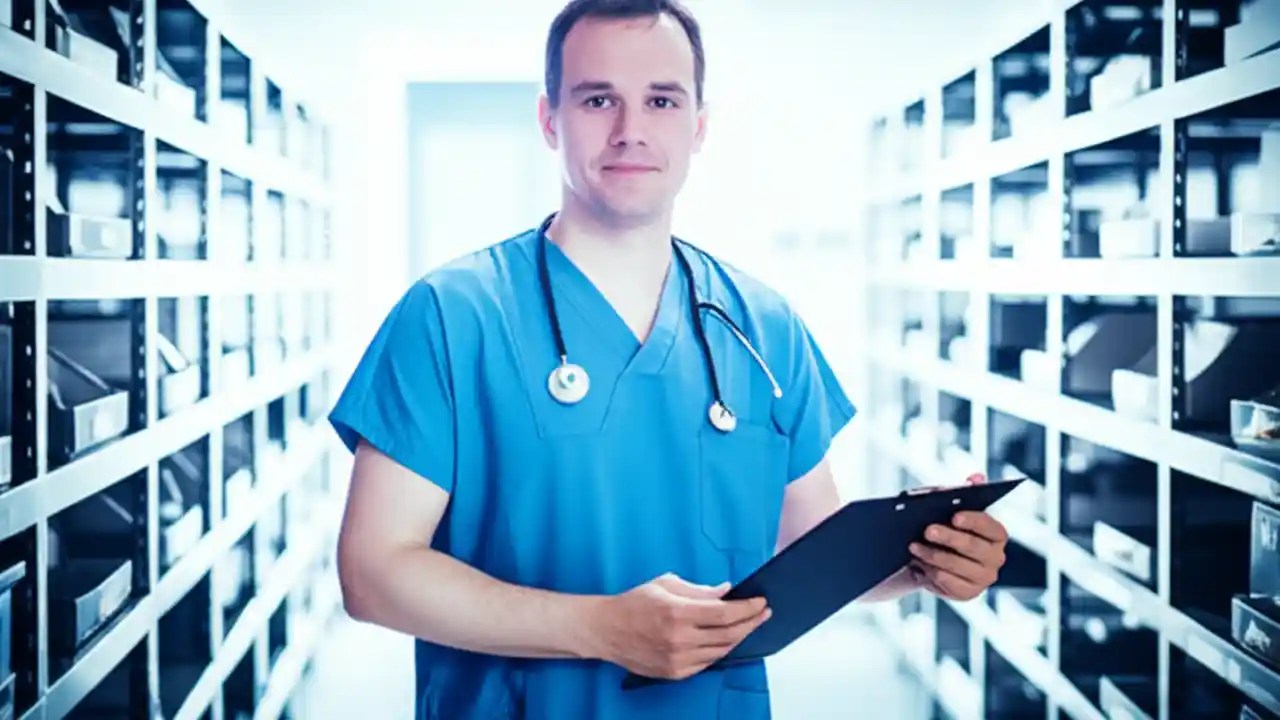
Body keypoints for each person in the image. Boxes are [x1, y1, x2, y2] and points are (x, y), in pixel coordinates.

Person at [328, 0, 1011, 717]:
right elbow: (373, 573)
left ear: (698, 125)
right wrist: (598, 630)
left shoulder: (764, 328)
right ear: (549, 120)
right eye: (598, 99)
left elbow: (809, 547)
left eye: (661, 99)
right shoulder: (450, 315)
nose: (631, 131)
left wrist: (922, 560)